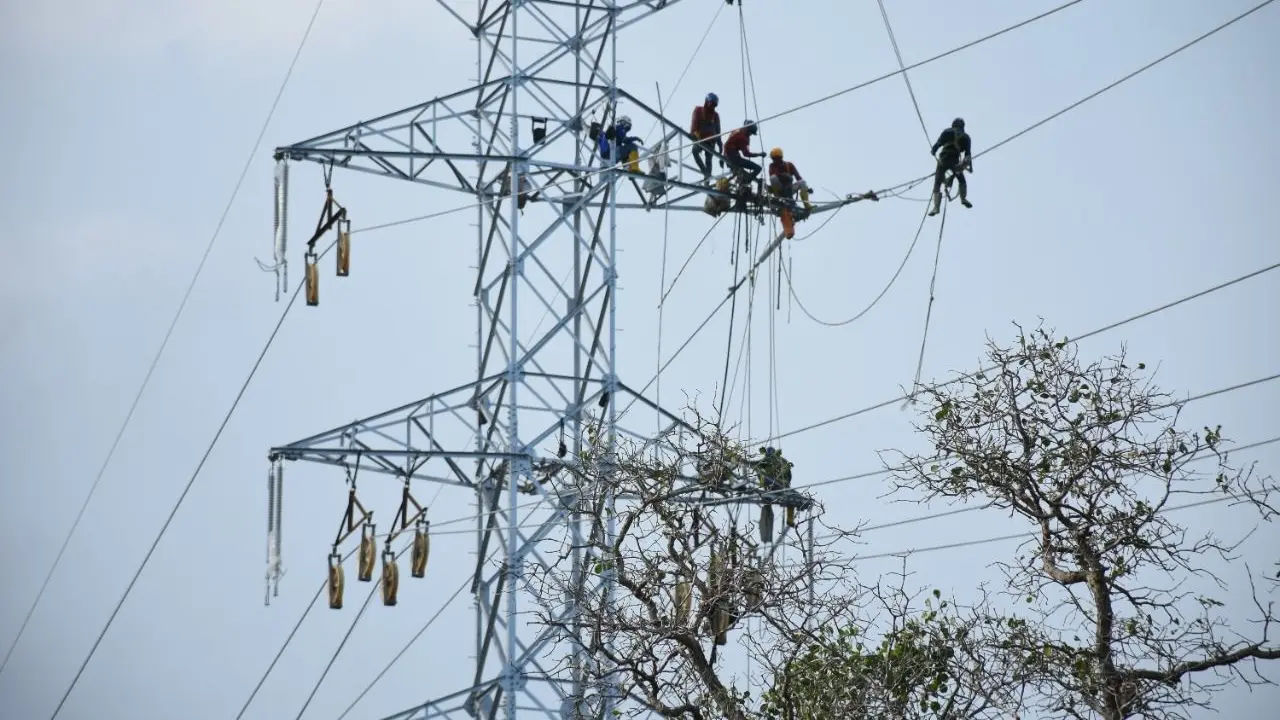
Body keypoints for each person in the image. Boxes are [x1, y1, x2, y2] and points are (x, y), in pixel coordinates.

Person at [929, 117, 973, 216]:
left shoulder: (947, 132)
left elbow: (938, 143)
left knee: (937, 183)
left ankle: (936, 207)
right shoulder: (966, 137)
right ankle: (963, 198)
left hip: (943, 161)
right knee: (961, 180)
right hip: (955, 163)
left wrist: (933, 150)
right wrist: (969, 168)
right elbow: (968, 155)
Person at [690, 92, 723, 182]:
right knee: (695, 151)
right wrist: (696, 138)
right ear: (706, 102)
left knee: (708, 160)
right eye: (711, 104)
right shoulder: (698, 110)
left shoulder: (715, 116)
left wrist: (720, 146)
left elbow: (718, 132)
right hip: (700, 138)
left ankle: (707, 180)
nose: (712, 107)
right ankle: (705, 173)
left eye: (714, 105)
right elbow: (694, 125)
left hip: (711, 141)